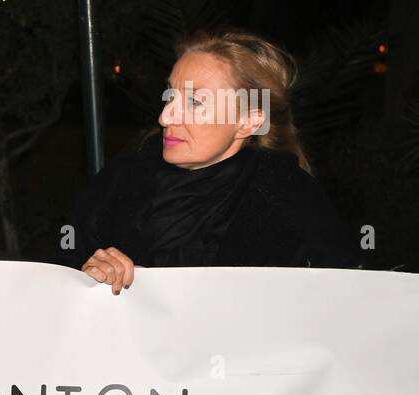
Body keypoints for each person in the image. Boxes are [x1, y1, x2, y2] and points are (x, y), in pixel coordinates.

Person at [63, 30, 357, 293]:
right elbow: (65, 289)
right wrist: (93, 281)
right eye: (170, 96)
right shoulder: (118, 184)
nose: (165, 117)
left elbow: (320, 318)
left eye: (194, 102)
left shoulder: (288, 204)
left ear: (248, 122)